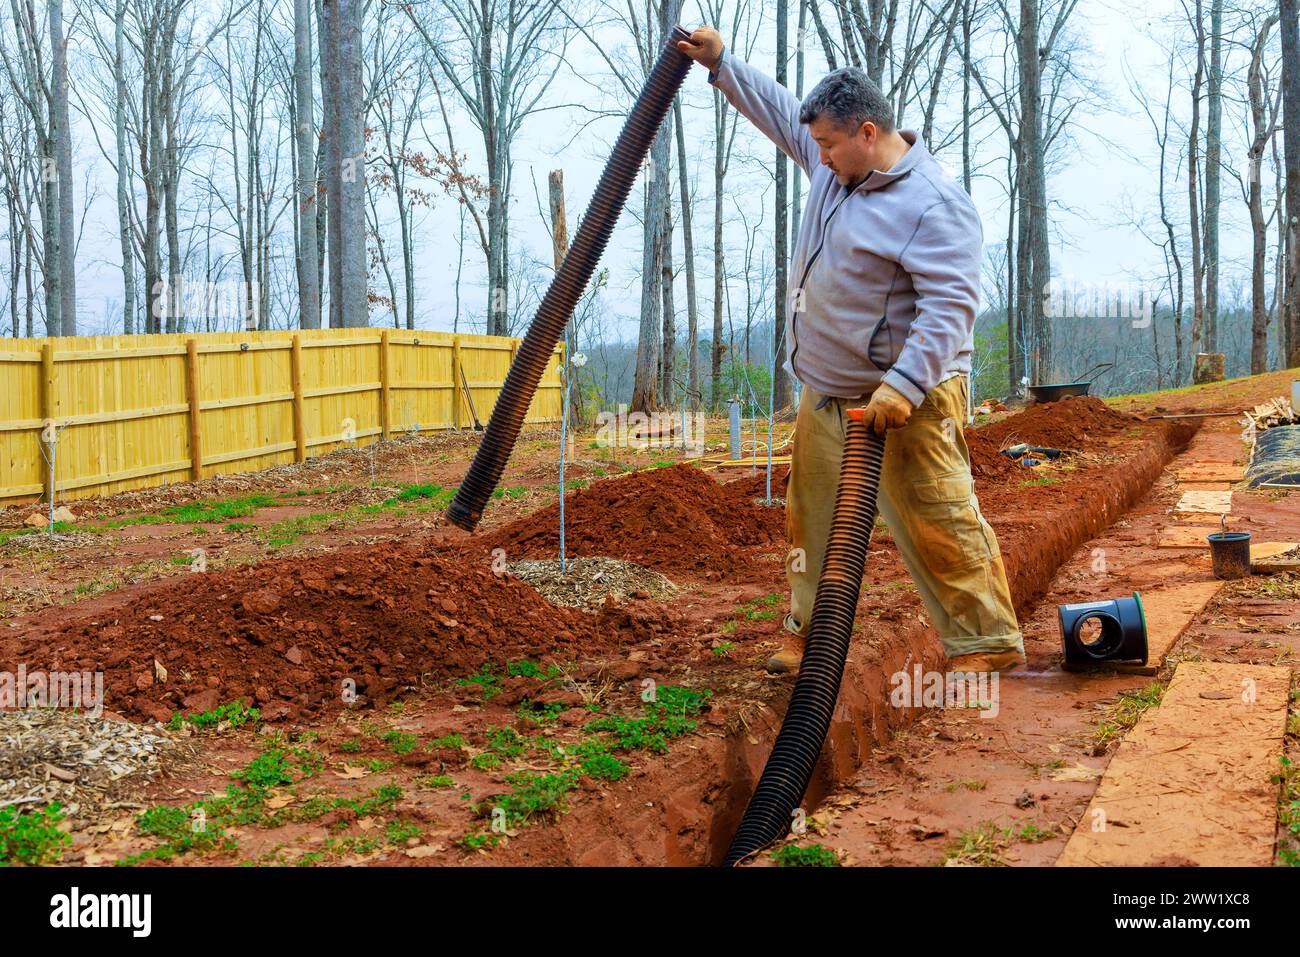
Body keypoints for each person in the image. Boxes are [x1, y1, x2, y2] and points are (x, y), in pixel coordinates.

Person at [677, 27, 1025, 675]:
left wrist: (905, 383)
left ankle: (985, 642)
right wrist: (721, 63)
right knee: (809, 521)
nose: (821, 157)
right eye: (817, 145)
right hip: (828, 391)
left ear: (868, 132)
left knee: (936, 514)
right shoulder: (832, 168)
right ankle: (807, 634)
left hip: (909, 395)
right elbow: (784, 111)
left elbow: (951, 306)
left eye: (830, 144)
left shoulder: (935, 205)